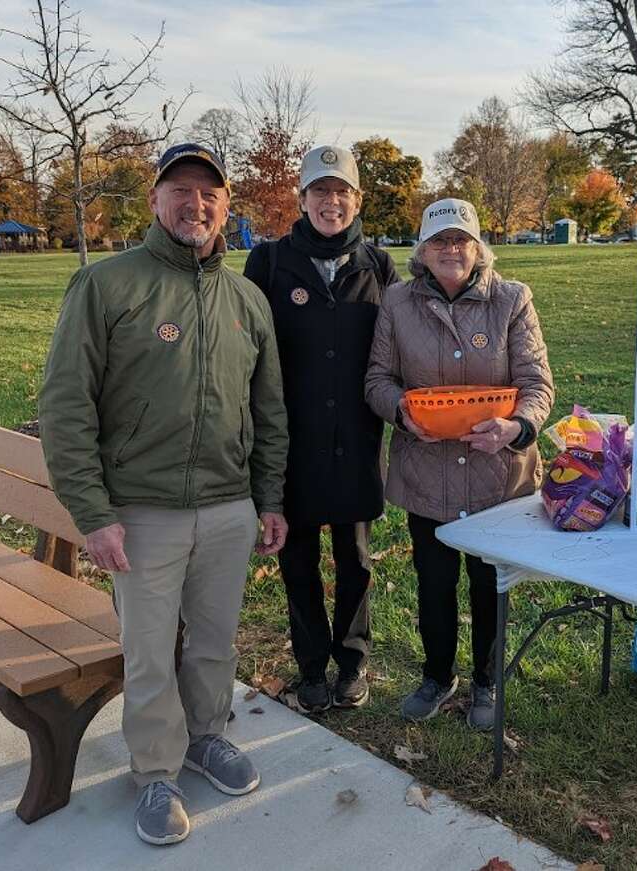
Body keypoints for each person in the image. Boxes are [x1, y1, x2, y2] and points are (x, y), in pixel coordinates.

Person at [39, 143, 288, 846]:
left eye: (209, 193)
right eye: (180, 189)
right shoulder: (107, 285)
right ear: (154, 200)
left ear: (226, 206)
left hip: (228, 507)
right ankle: (154, 769)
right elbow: (65, 405)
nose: (195, 204)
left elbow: (268, 410)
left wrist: (269, 498)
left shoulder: (247, 300)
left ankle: (206, 736)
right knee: (149, 652)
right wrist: (94, 513)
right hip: (142, 511)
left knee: (213, 643)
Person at [365, 198, 553, 730]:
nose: (451, 249)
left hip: (497, 476)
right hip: (427, 475)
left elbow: (537, 383)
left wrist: (516, 427)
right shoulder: (397, 302)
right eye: (440, 240)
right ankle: (437, 675)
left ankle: (486, 681)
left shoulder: (512, 299)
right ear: (423, 250)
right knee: (434, 583)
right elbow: (377, 379)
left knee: (489, 585)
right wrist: (401, 411)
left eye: (460, 240)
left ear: (477, 248)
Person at [243, 146, 398, 713]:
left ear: (357, 200)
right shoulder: (270, 261)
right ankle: (311, 665)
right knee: (297, 556)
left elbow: (398, 347)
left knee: (355, 556)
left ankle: (352, 660)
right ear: (302, 198)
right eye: (320, 191)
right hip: (292, 439)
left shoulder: (379, 266)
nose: (331, 202)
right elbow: (248, 347)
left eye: (342, 192)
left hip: (356, 437)